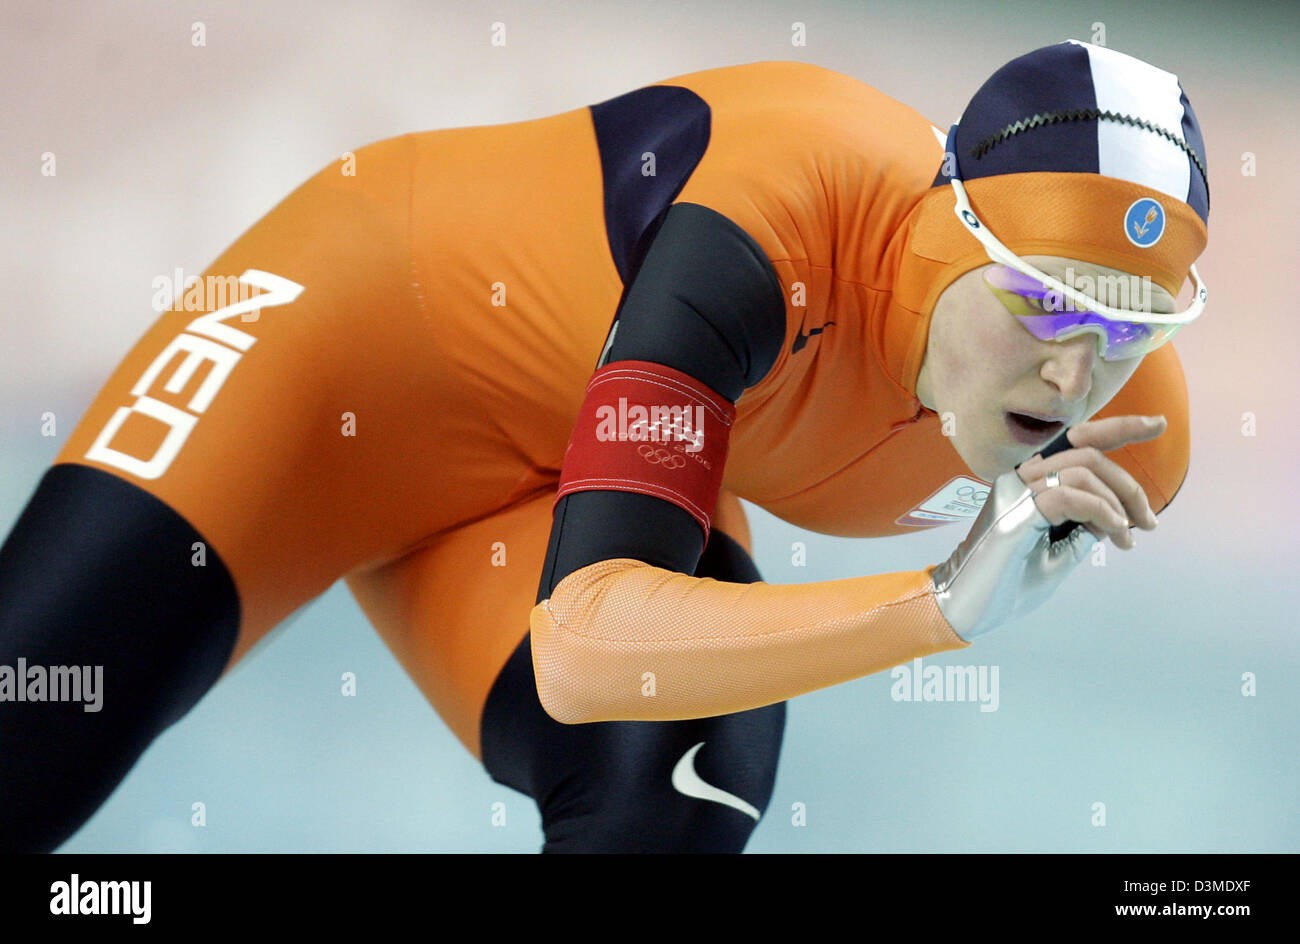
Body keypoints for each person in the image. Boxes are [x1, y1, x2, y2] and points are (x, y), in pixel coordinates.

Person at [0, 38, 1209, 853]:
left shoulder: (1127, 436)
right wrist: (942, 602)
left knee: (674, 786)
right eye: (1044, 299)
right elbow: (580, 648)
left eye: (1129, 322)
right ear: (944, 235)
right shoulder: (775, 215)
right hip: (347, 343)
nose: (1073, 368)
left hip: (575, 487)